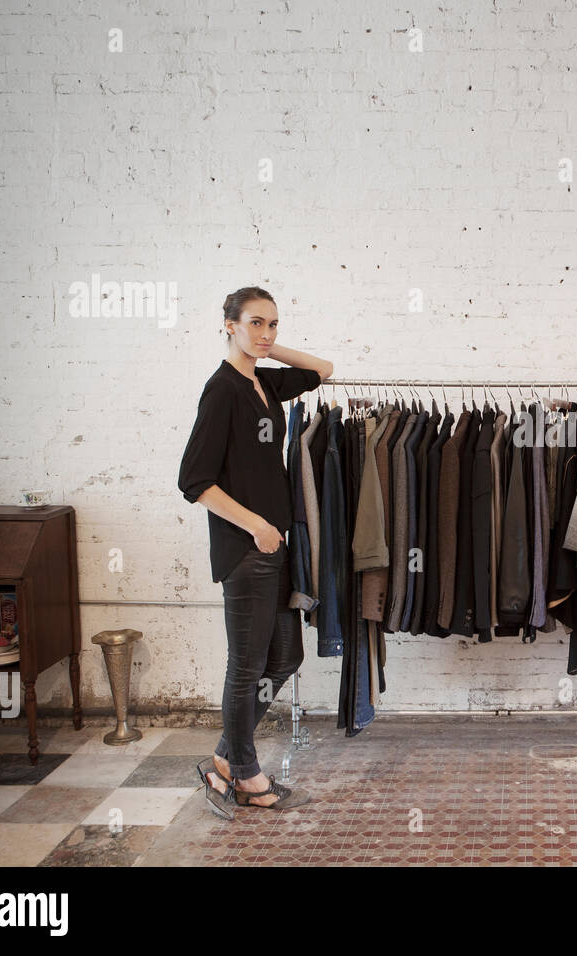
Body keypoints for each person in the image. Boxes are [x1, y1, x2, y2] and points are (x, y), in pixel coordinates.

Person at [177, 286, 333, 817]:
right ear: (228, 325)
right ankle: (247, 773)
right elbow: (194, 481)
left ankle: (224, 759)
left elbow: (323, 369)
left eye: (273, 325)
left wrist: (267, 350)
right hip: (246, 549)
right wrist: (257, 527)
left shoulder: (263, 382)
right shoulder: (222, 391)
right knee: (246, 666)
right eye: (254, 324)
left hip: (276, 548)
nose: (266, 333)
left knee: (285, 656)